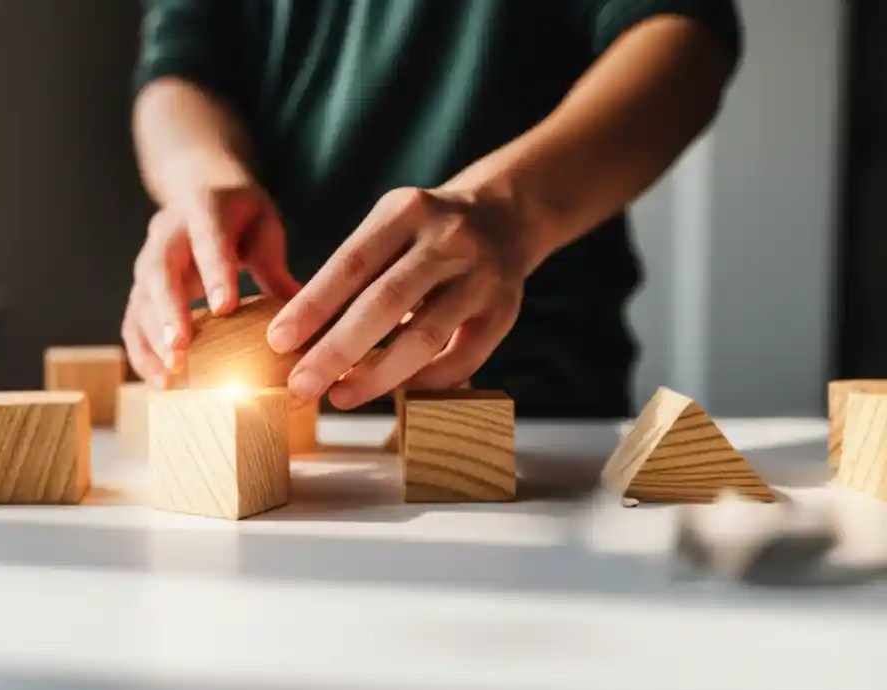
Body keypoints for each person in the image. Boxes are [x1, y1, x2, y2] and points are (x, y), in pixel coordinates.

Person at [123, 0, 739, 417]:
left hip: (525, 382)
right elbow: (182, 68)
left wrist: (510, 210)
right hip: (282, 388)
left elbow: (683, 38)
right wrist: (199, 174)